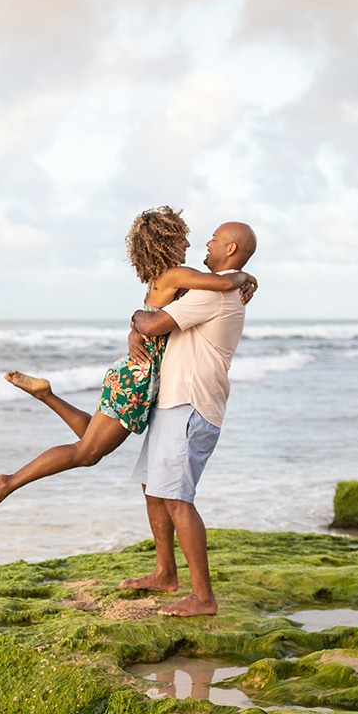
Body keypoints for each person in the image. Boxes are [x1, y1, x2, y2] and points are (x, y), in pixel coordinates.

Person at [0, 207, 255, 519]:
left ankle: (46, 395)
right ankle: (9, 481)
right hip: (139, 376)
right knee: (87, 453)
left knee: (93, 441)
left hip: (135, 373)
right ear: (166, 241)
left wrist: (133, 329)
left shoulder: (162, 278)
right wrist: (245, 276)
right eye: (182, 239)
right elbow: (221, 284)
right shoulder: (177, 275)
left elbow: (155, 314)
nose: (189, 246)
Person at [118, 221, 257, 617]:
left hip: (191, 404)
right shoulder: (219, 287)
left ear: (230, 249)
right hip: (173, 401)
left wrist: (135, 319)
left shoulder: (214, 293)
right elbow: (152, 325)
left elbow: (152, 323)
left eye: (214, 238)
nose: (205, 242)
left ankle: (203, 597)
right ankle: (165, 573)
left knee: (178, 497)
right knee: (153, 487)